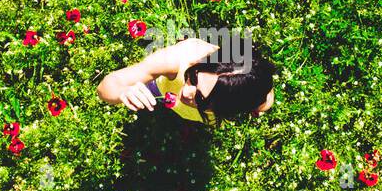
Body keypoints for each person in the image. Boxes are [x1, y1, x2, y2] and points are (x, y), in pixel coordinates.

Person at [96, 36, 275, 123]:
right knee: (151, 91)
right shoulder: (178, 59)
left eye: (202, 98)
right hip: (162, 89)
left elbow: (265, 96)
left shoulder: (254, 92)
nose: (186, 91)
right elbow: (106, 86)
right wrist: (122, 92)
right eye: (193, 78)